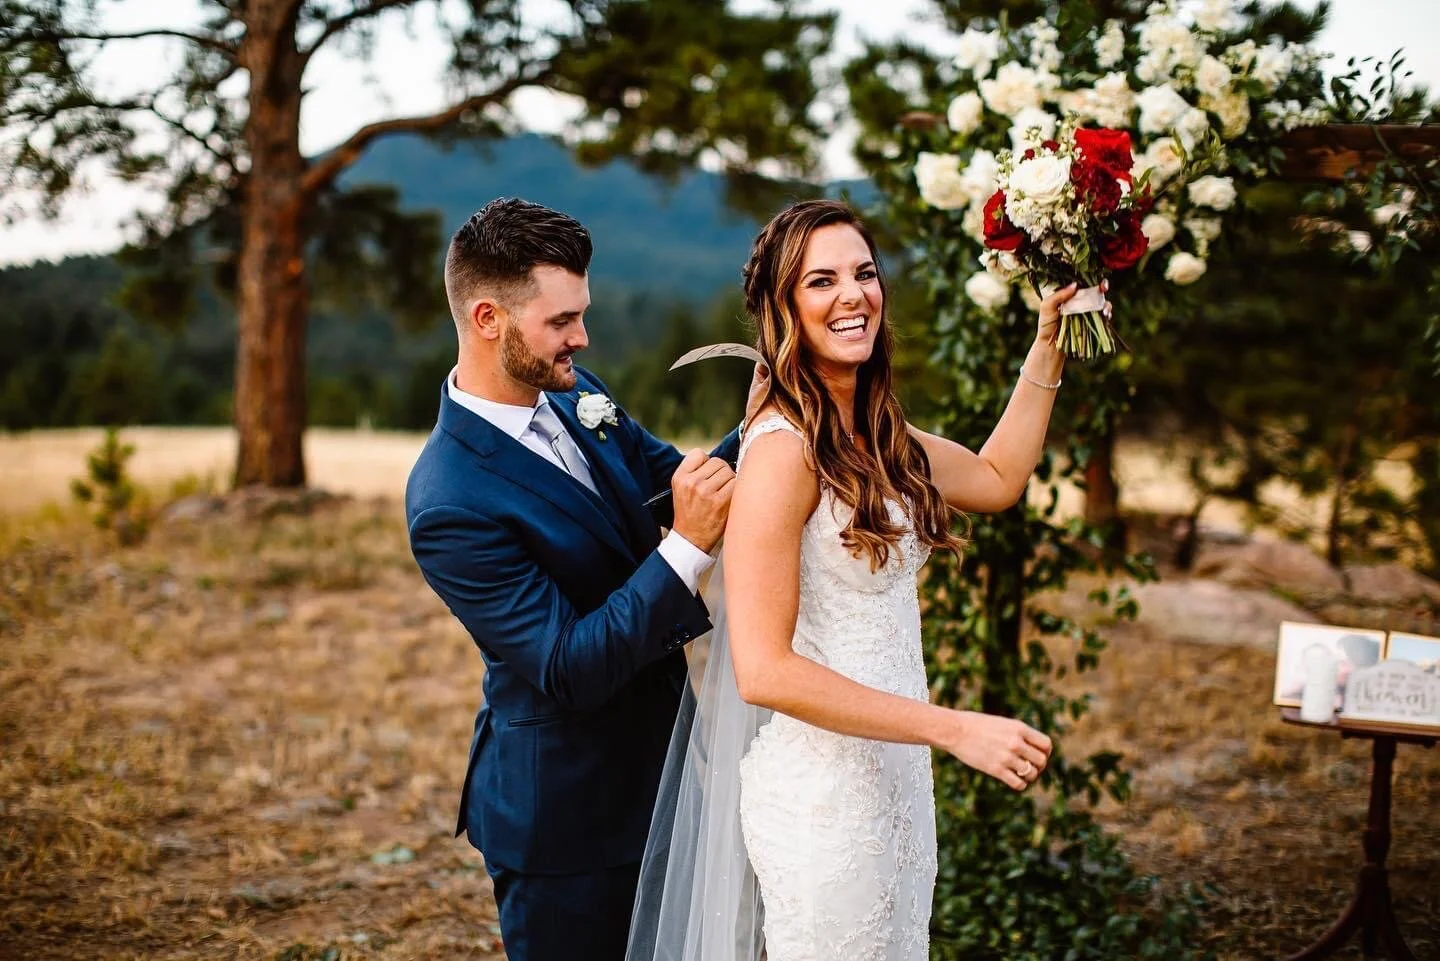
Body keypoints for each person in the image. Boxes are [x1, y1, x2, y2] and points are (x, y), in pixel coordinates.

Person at [628, 199, 1079, 961]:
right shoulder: (781, 450)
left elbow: (999, 476)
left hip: (896, 780)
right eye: (822, 281)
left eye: (865, 274)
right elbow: (764, 670)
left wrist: (1047, 349)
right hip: (825, 804)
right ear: (785, 309)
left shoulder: (877, 433)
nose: (853, 295)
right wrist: (956, 726)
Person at [405, 197, 759, 961]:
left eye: (582, 314)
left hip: (661, 777)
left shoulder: (573, 391)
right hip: (565, 825)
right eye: (562, 320)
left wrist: (768, 417)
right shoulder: (448, 500)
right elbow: (568, 664)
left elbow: (677, 486)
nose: (582, 336)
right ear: (489, 317)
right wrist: (688, 548)